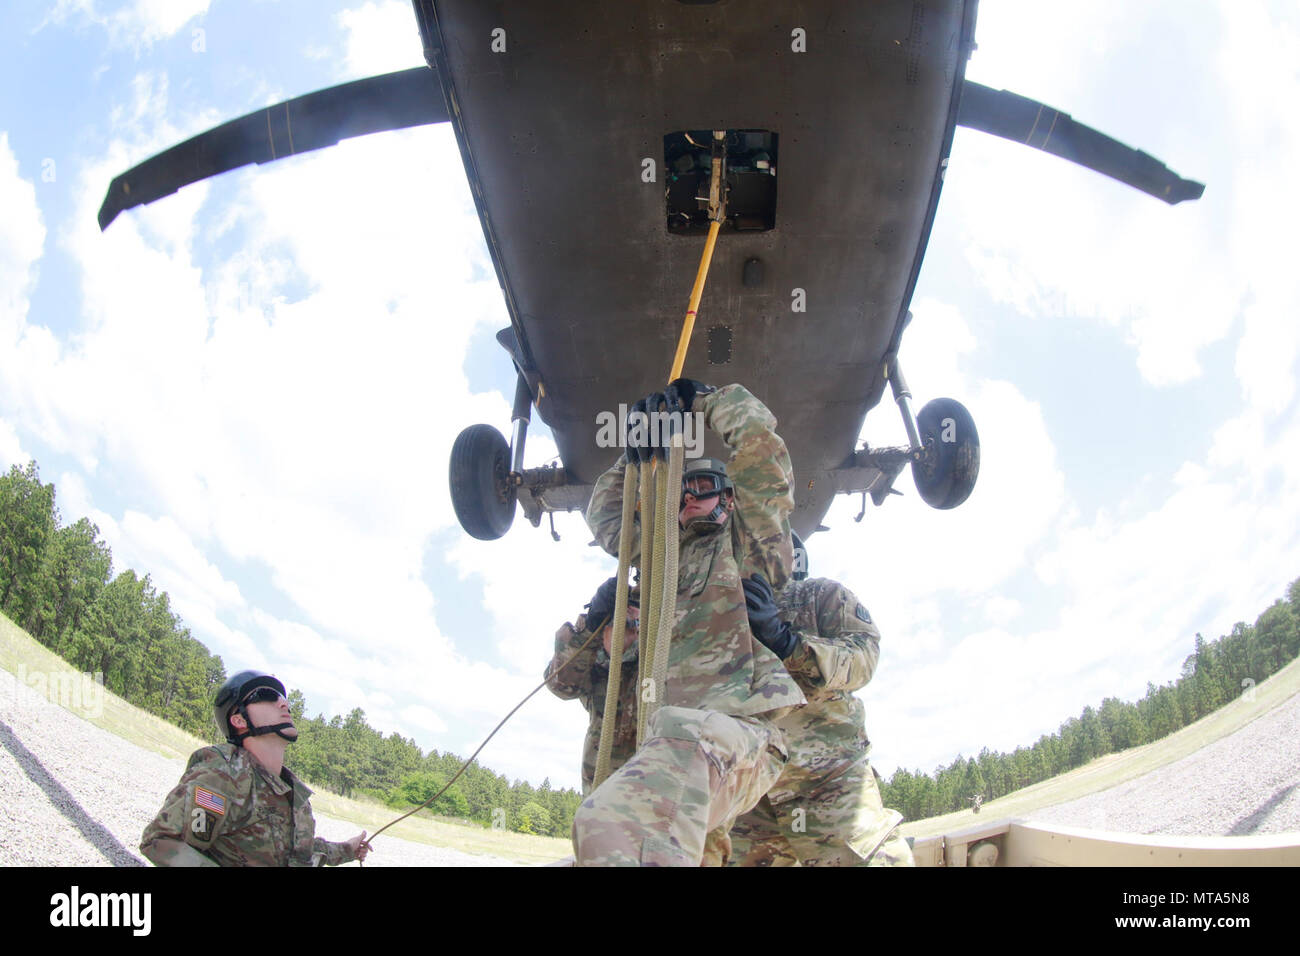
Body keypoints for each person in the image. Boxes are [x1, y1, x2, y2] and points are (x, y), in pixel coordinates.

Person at [573, 379, 805, 866]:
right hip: (670, 743)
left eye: (702, 489)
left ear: (729, 500)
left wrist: (704, 401)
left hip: (733, 735)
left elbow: (761, 449)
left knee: (612, 823)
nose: (688, 499)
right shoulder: (660, 557)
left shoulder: (748, 548)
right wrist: (634, 453)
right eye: (681, 490)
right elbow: (605, 518)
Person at [721, 569, 914, 866]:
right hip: (750, 800)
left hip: (828, 783)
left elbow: (863, 657)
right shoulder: (708, 610)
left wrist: (789, 644)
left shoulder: (818, 597)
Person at [140, 670, 370, 867]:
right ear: (239, 720)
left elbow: (299, 852)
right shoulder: (223, 774)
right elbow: (161, 841)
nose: (283, 703)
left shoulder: (292, 792)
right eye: (266, 695)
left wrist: (347, 850)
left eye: (282, 697)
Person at [544, 577, 641, 794]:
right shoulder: (596, 669)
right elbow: (561, 685)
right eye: (617, 622)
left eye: (634, 616)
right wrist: (589, 628)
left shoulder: (659, 658)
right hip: (604, 791)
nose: (629, 622)